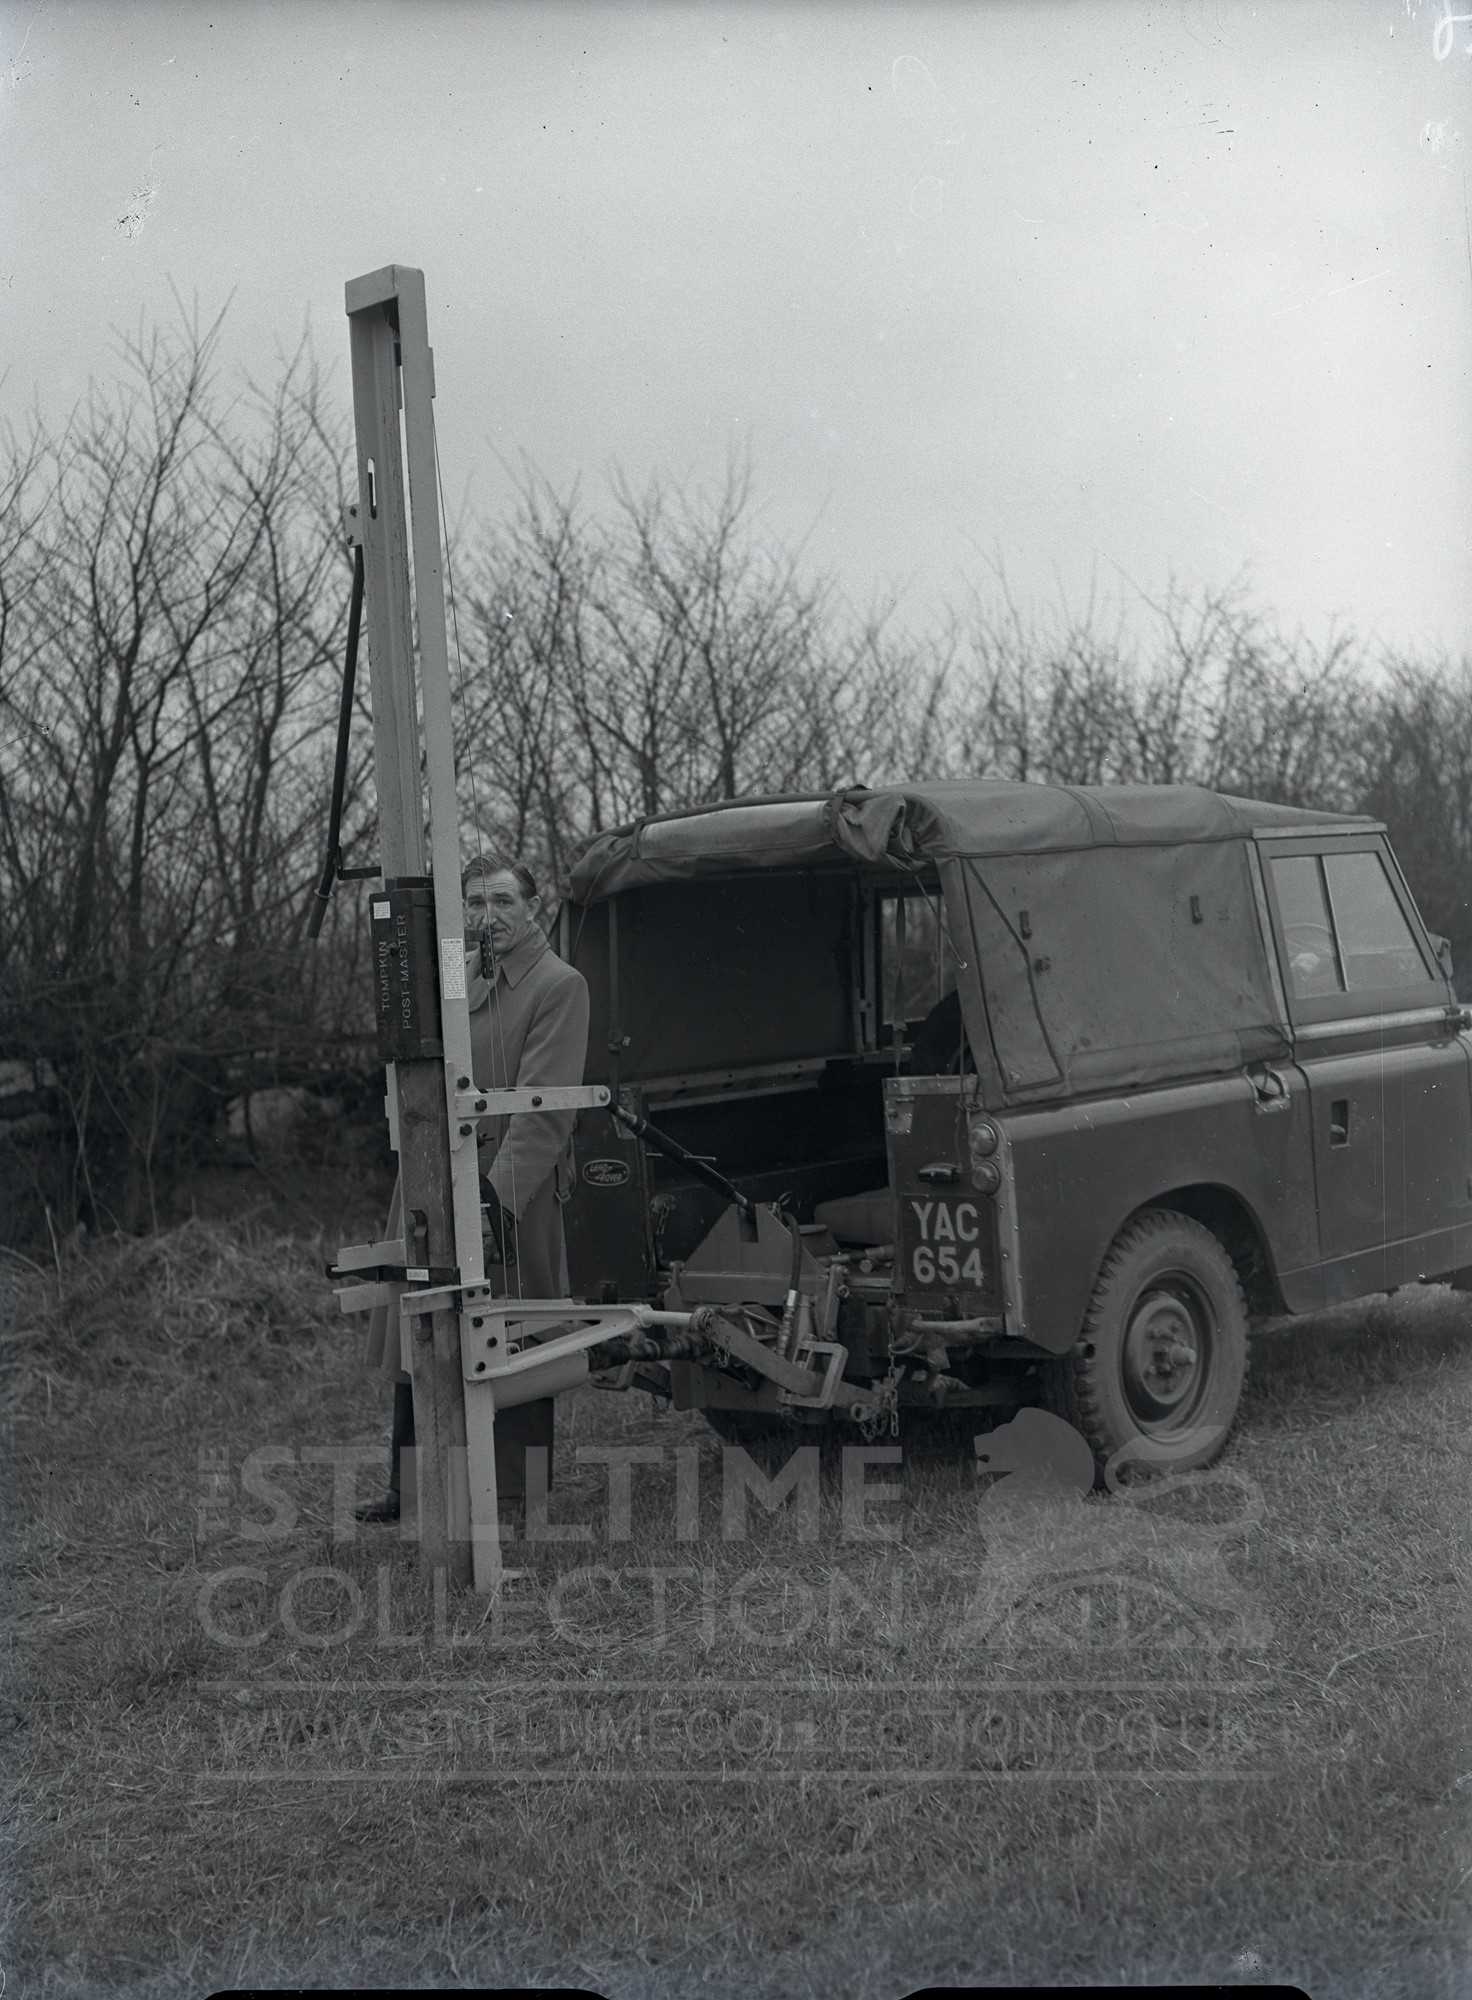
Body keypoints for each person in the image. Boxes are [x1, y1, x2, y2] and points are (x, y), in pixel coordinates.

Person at [357, 858, 590, 1523]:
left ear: (532, 907)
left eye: (502, 901)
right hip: (436, 1174)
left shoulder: (557, 985)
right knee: (422, 1326)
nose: (489, 916)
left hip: (506, 1189)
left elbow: (545, 1113)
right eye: (475, 904)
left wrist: (494, 1205)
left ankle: (514, 1496)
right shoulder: (459, 974)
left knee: (509, 1337)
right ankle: (414, 1489)